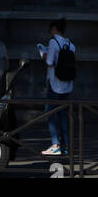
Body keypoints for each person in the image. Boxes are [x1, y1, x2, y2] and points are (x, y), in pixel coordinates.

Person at [40, 18, 75, 157]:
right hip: (67, 84)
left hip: (55, 83)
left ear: (54, 29)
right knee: (64, 115)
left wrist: (42, 53)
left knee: (50, 113)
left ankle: (56, 144)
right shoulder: (70, 44)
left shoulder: (53, 42)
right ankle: (67, 146)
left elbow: (49, 62)